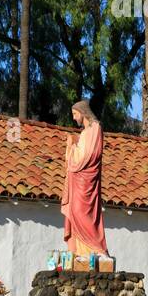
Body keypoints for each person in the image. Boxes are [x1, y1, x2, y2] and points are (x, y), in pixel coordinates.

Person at [61, 100, 108, 257]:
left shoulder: (95, 128)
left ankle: (97, 250)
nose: (74, 118)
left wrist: (71, 147)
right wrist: (74, 143)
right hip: (78, 181)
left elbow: (89, 156)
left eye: (75, 114)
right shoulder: (84, 133)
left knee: (82, 212)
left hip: (86, 182)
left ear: (82, 112)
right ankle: (80, 252)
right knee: (75, 213)